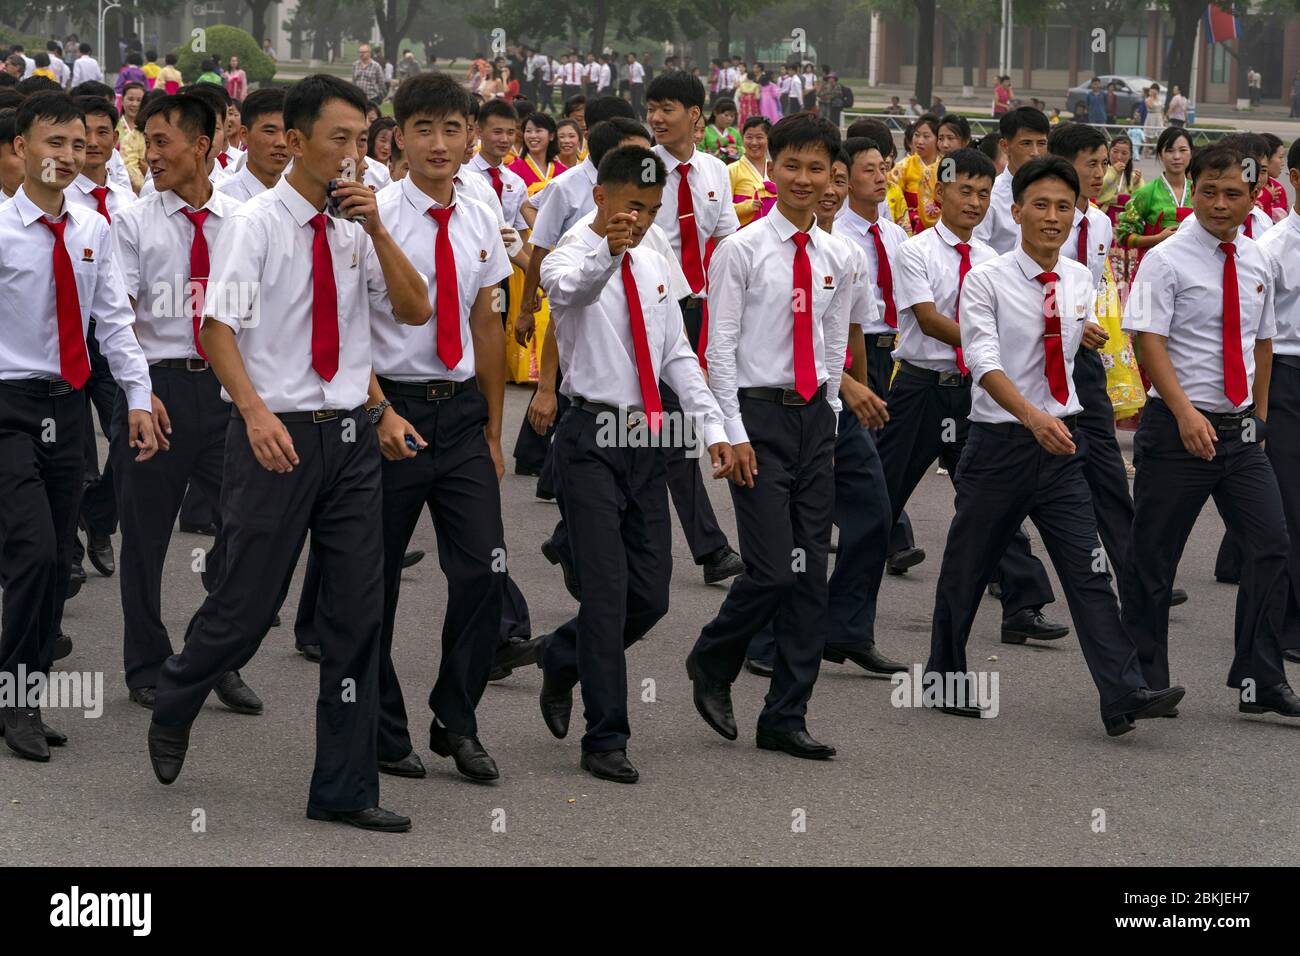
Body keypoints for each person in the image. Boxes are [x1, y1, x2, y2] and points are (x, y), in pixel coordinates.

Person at [145, 74, 430, 832]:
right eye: (339, 137)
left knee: (358, 617)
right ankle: (179, 690)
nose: (353, 153)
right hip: (276, 439)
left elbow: (413, 308)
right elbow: (217, 329)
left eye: (363, 139)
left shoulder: (353, 225)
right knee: (246, 608)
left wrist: (376, 231)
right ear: (296, 140)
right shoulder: (258, 223)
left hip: (349, 442)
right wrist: (255, 412)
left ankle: (342, 786)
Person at [925, 155, 1185, 734]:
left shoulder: (1075, 279)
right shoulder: (985, 280)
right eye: (1039, 205)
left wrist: (1081, 337)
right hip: (1000, 444)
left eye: (1063, 207)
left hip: (1060, 448)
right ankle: (942, 676)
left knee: (1089, 572)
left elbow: (1060, 351)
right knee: (969, 568)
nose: (1051, 217)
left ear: (1076, 214)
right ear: (1015, 212)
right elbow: (984, 362)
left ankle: (1121, 693)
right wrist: (1030, 415)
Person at [537, 143, 732, 783]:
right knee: (606, 591)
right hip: (590, 436)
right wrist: (608, 247)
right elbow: (574, 288)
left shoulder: (655, 259)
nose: (639, 220)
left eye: (649, 210)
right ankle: (606, 736)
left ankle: (562, 658)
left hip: (648, 437)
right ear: (601, 197)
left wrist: (715, 428)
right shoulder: (571, 253)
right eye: (629, 207)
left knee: (650, 597)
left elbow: (676, 353)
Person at [364, 71, 524, 782]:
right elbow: (344, 326)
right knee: (375, 585)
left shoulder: (481, 216)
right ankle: (382, 725)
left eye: (450, 129)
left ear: (469, 137)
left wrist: (492, 427)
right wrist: (376, 409)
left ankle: (456, 718)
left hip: (459, 414)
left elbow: (487, 325)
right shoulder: (370, 215)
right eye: (422, 129)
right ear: (399, 137)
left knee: (484, 572)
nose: (437, 142)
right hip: (388, 409)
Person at [686, 112, 853, 761]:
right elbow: (718, 348)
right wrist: (727, 431)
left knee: (812, 576)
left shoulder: (842, 254)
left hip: (814, 420)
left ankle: (786, 714)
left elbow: (835, 339)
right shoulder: (741, 250)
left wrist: (832, 408)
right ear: (772, 168)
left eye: (818, 169)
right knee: (774, 569)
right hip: (756, 418)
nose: (805, 179)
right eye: (794, 166)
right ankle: (712, 658)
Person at [0, 91, 158, 761]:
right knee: (33, 552)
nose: (65, 156)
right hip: (6, 406)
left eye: (76, 145)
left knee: (58, 563)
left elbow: (115, 324)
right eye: (51, 143)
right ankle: (14, 698)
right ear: (19, 150)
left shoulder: (94, 228)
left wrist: (141, 399)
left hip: (65, 409)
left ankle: (23, 698)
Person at [1120, 142, 1299, 719]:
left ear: (1254, 194)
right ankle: (1144, 682)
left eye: (1233, 193)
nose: (1220, 204)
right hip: (1177, 434)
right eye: (1209, 192)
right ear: (1192, 190)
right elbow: (1149, 339)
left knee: (1271, 547)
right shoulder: (1164, 259)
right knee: (1154, 558)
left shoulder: (1257, 259)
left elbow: (1264, 342)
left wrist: (1260, 415)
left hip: (1241, 434)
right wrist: (1184, 412)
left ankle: (1259, 677)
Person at [108, 90, 260, 714]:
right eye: (144, 141)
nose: (149, 154)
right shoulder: (134, 221)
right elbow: (117, 317)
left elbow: (257, 317)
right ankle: (145, 662)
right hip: (158, 392)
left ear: (201, 146)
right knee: (144, 539)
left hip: (227, 393)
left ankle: (212, 652)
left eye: (161, 141)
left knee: (246, 531)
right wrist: (142, 392)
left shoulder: (243, 221)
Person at [879, 143, 1064, 643]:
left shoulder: (993, 259)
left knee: (995, 502)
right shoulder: (913, 250)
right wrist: (993, 339)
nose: (976, 203)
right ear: (941, 193)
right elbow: (929, 320)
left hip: (976, 393)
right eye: (965, 191)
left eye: (984, 194)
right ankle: (837, 618)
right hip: (921, 390)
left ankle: (1022, 604)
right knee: (880, 504)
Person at [743, 143, 903, 678]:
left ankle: (847, 629)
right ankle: (763, 638)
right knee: (786, 531)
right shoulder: (760, 248)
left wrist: (852, 388)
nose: (828, 187)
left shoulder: (844, 253)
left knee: (875, 514)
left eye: (835, 177)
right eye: (820, 175)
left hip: (834, 401)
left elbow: (850, 331)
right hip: (779, 404)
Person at [1049, 121, 1188, 610]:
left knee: (1106, 470)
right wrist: (1067, 325)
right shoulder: (1042, 218)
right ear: (1065, 164)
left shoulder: (1102, 223)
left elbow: (1095, 288)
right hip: (1038, 361)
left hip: (1084, 361)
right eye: (1092, 162)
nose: (1101, 171)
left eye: (1104, 162)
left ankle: (1136, 575)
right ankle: (1014, 580)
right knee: (1010, 485)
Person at [645, 71, 746, 582]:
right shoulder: (641, 169)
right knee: (674, 427)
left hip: (699, 310)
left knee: (650, 423)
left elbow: (728, 244)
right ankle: (710, 549)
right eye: (652, 108)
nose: (657, 118)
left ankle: (569, 533)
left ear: (695, 117)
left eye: (667, 108)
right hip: (651, 310)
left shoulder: (715, 171)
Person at [973, 106, 1050, 254]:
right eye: (1026, 143)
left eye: (1041, 144)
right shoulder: (990, 195)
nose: (1035, 153)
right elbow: (977, 249)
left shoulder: (1056, 192)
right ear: (1005, 146)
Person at [1115, 126, 1192, 255]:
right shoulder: (1146, 193)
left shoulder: (1200, 192)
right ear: (1160, 155)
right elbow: (1124, 237)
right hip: (1157, 266)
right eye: (1170, 150)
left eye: (1183, 150)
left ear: (1191, 153)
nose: (1177, 156)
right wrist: (1157, 239)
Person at [218, 87, 287, 202]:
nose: (281, 142)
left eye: (287, 133)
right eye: (270, 132)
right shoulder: (221, 199)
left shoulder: (304, 198)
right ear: (244, 135)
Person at [891, 113, 940, 232]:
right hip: (909, 226)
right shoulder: (903, 166)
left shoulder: (946, 166)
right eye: (917, 135)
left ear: (938, 139)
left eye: (926, 136)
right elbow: (893, 197)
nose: (919, 141)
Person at [728, 115, 773, 227]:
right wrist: (746, 206)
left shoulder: (776, 169)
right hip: (742, 238)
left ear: (769, 139)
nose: (754, 143)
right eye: (749, 137)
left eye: (759, 137)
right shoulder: (731, 170)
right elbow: (722, 209)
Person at [117, 81, 146, 190]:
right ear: (123, 100)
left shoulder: (148, 129)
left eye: (139, 100)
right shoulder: (113, 127)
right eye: (130, 99)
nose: (134, 104)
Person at [702, 98, 740, 162]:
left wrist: (736, 150)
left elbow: (743, 150)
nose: (729, 119)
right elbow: (699, 150)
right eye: (726, 115)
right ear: (715, 113)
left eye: (732, 116)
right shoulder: (705, 131)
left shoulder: (735, 133)